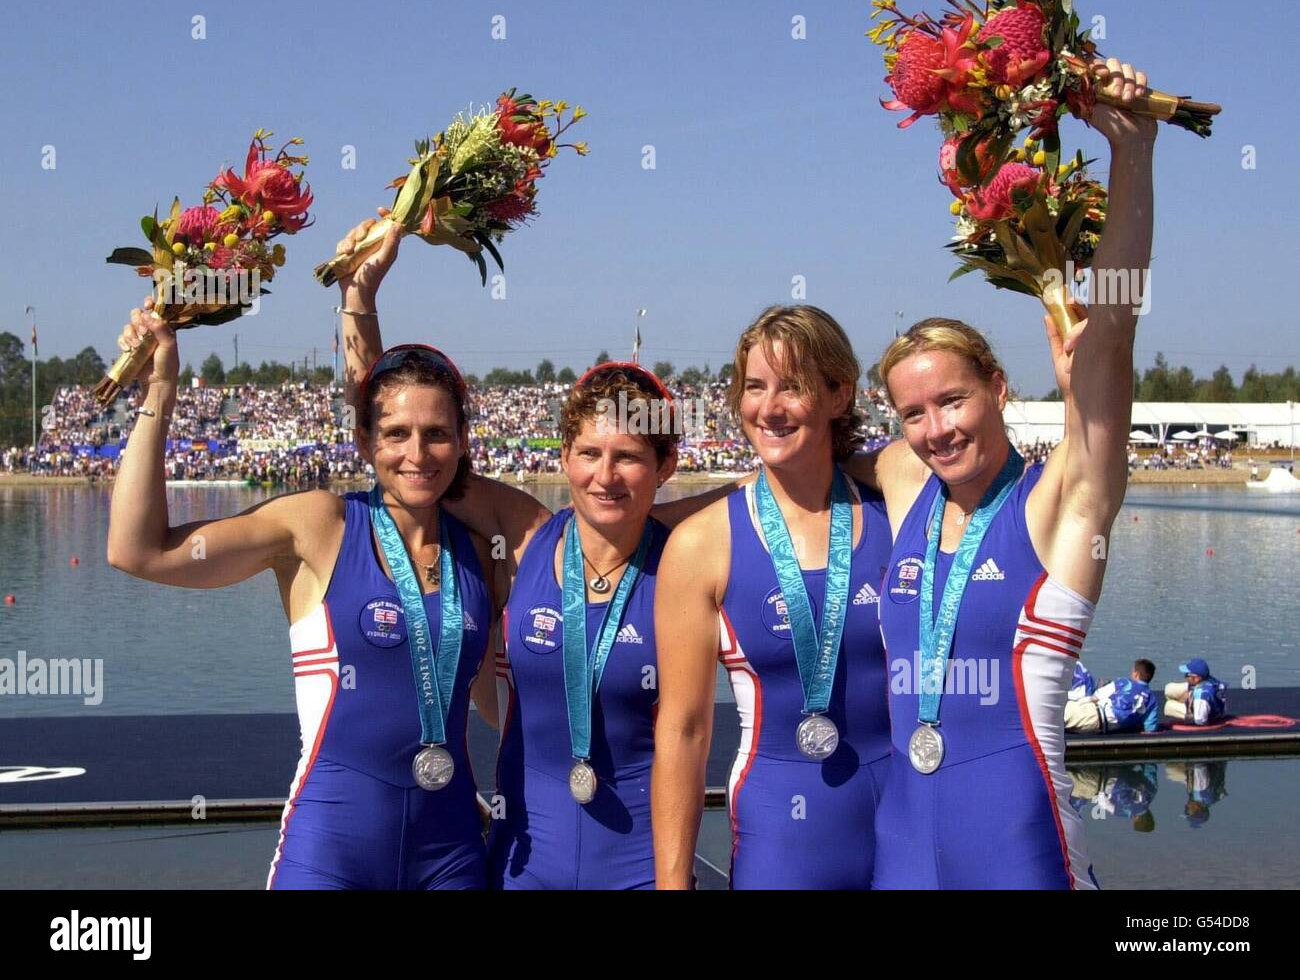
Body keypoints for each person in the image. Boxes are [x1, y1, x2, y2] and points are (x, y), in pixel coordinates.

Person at [333, 219, 737, 889]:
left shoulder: (686, 556)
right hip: (526, 862)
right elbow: (396, 439)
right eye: (589, 455)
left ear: (666, 464)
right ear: (565, 458)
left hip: (643, 868)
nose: (606, 476)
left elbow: (780, 484)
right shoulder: (525, 531)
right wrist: (360, 297)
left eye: (630, 458)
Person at [842, 58, 1157, 889]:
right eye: (913, 414)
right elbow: (794, 461)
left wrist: (1133, 152)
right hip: (902, 860)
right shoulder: (907, 487)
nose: (936, 429)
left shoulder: (1060, 501)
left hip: (1023, 860)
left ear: (999, 387)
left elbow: (1113, 335)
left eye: (953, 401)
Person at [107, 302, 497, 890]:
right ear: (366, 441)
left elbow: (513, 705)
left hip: (452, 852)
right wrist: (160, 389)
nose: (416, 454)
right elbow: (139, 550)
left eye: (437, 434)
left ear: (463, 441)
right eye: (395, 433)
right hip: (330, 852)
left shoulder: (482, 554)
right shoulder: (319, 525)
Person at [653, 305, 893, 889]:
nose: (770, 407)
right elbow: (684, 731)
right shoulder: (701, 544)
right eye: (754, 387)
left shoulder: (899, 511)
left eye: (794, 386)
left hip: (909, 823)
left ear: (840, 394)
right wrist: (673, 880)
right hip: (780, 839)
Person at [1065, 659, 1159, 733]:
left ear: (1136, 674)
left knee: (1054, 713)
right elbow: (1150, 727)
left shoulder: (1125, 682)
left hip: (1093, 713)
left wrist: (1081, 702)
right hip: (1101, 727)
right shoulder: (1152, 700)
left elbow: (1097, 696)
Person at [1162, 658, 1227, 725]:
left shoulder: (1201, 696)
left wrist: (1188, 715)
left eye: (1187, 675)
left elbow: (1200, 721)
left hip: (1209, 714)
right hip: (1215, 706)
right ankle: (1184, 702)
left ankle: (1181, 704)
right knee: (1168, 688)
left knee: (1169, 706)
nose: (1185, 677)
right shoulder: (1210, 680)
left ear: (1196, 678)